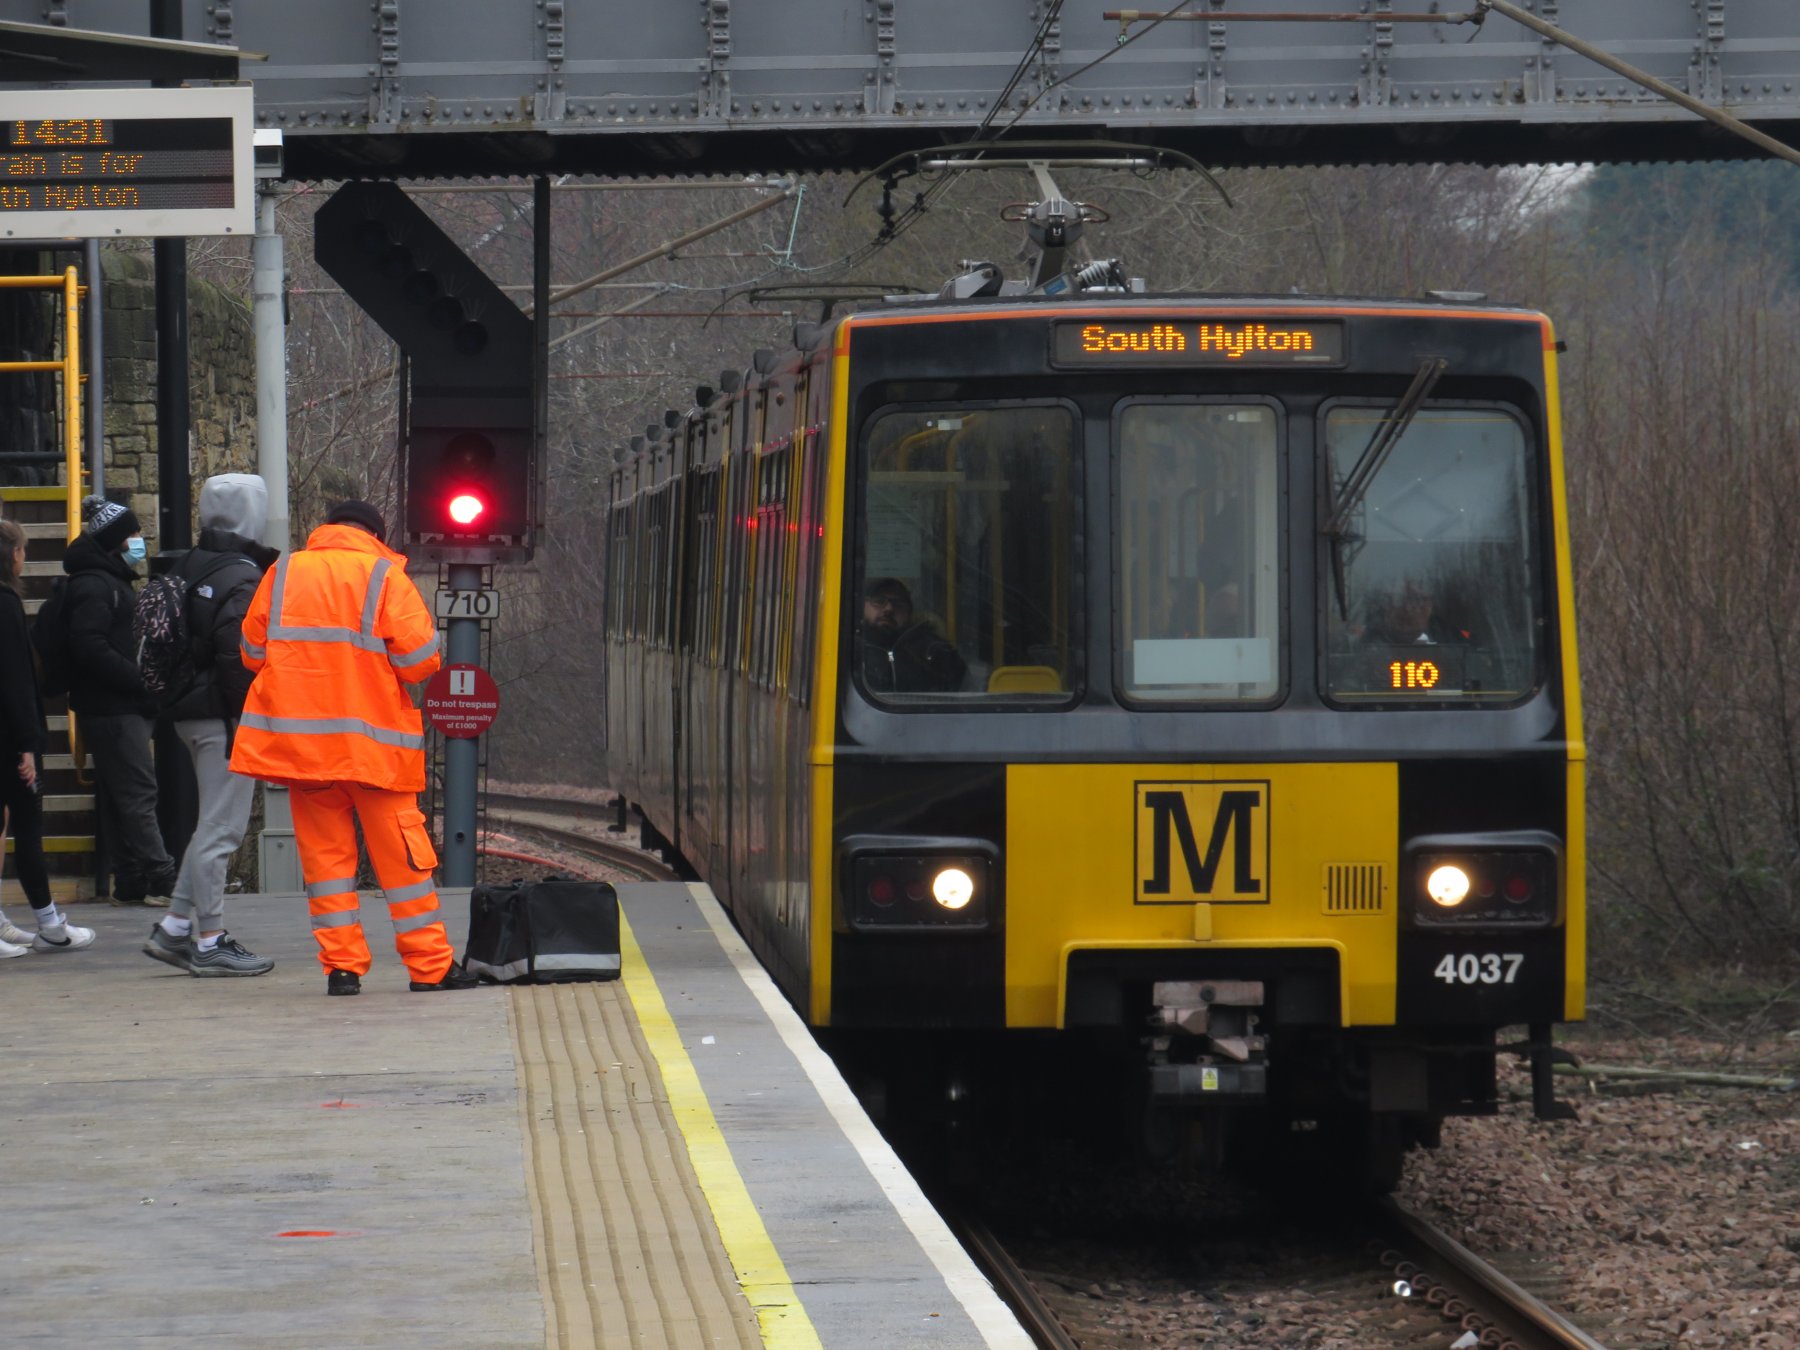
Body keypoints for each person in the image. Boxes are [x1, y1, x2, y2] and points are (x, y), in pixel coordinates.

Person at [229, 499, 476, 995]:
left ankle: (342, 970)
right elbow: (420, 661)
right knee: (403, 865)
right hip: (374, 752)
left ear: (328, 529)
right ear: (374, 534)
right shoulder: (385, 575)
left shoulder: (282, 573)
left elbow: (252, 653)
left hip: (306, 755)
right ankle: (429, 968)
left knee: (327, 869)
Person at [141, 474, 280, 978]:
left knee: (210, 826)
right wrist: (253, 719)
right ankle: (210, 939)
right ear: (253, 516)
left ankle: (175, 928)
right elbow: (236, 656)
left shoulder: (189, 564)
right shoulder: (241, 576)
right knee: (222, 829)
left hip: (187, 713)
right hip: (224, 718)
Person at [63, 496, 177, 905]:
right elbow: (90, 646)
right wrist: (140, 679)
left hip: (113, 705)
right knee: (138, 793)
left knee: (118, 794)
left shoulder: (106, 579)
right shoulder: (97, 585)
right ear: (114, 540)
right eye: (132, 534)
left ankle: (129, 878)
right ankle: (162, 878)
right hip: (115, 706)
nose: (138, 541)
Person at [0, 519, 95, 957]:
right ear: (11, 556)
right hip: (8, 737)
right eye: (22, 549)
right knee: (28, 828)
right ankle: (50, 922)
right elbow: (15, 679)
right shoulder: (5, 605)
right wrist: (27, 743)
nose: (25, 557)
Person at [859, 577, 967, 694]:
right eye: (879, 601)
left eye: (898, 603)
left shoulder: (934, 650)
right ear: (863, 607)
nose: (889, 609)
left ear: (909, 612)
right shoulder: (851, 648)